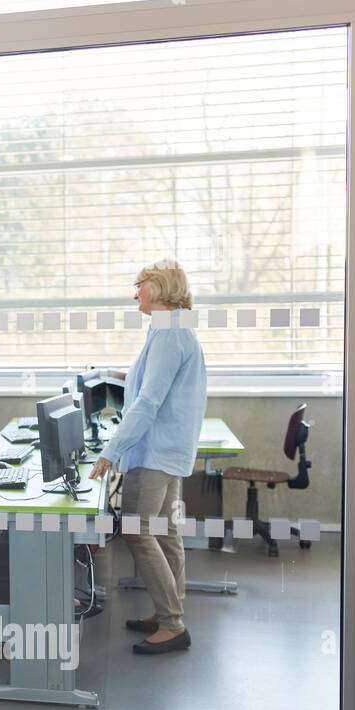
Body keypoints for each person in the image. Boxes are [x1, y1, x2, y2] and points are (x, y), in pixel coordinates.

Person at [90, 259, 207, 655]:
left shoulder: (170, 334)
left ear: (156, 289)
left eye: (138, 285)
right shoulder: (170, 330)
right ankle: (167, 613)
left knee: (139, 532)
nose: (134, 293)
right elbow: (151, 388)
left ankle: (172, 623)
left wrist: (110, 451)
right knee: (165, 533)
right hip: (167, 448)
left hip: (156, 451)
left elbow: (148, 402)